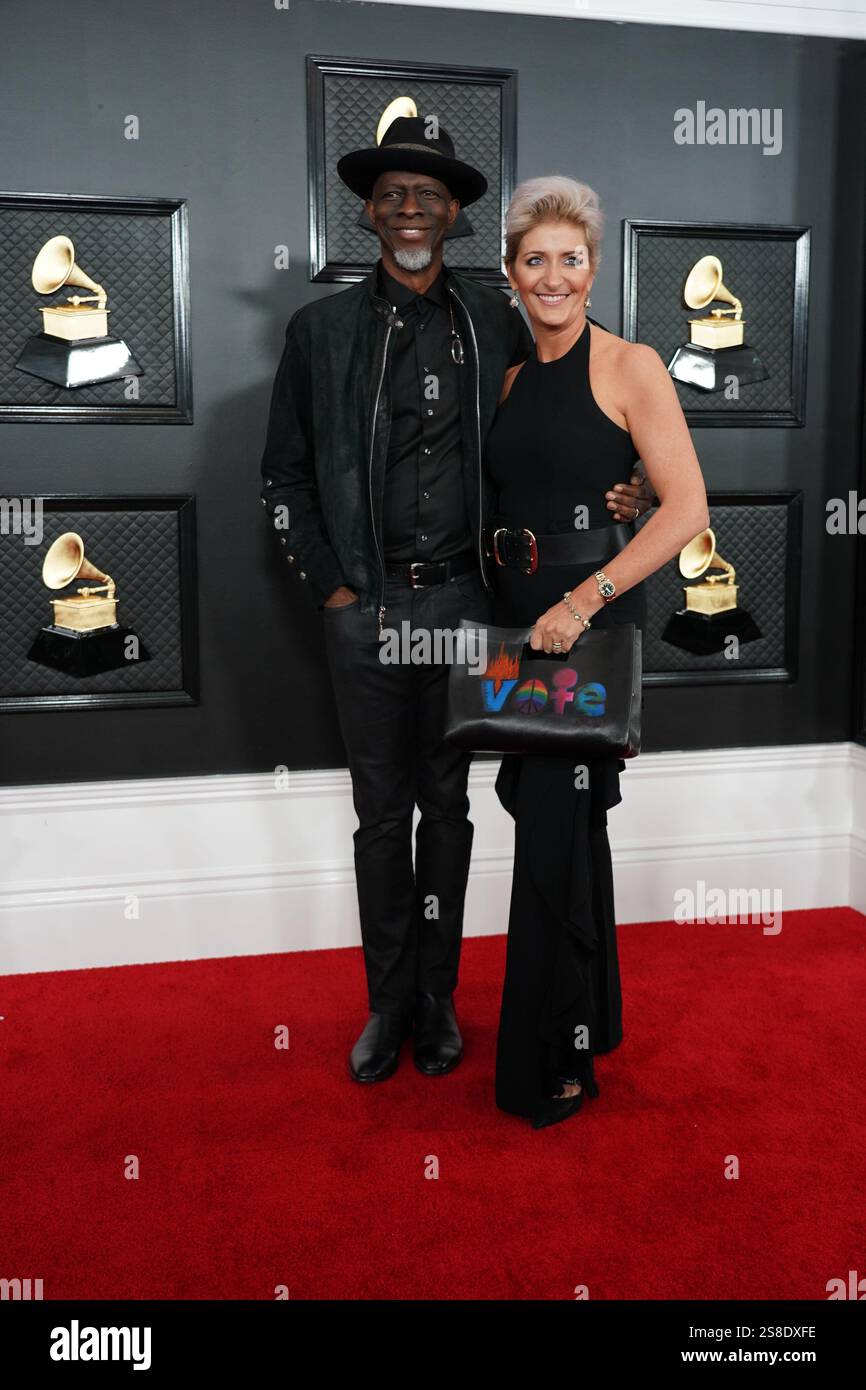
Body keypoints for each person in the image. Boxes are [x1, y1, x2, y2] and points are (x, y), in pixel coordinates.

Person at [260, 120, 655, 1086]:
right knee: (379, 812)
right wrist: (338, 587)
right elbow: (283, 479)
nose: (409, 209)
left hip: (472, 609)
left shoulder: (497, 319)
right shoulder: (321, 333)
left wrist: (629, 486)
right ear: (366, 208)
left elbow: (565, 426)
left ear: (456, 214)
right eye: (393, 192)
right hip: (370, 612)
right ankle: (385, 1004)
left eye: (428, 194)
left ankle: (438, 1001)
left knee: (448, 807)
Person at [484, 176, 709, 1128]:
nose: (553, 277)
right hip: (514, 629)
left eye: (570, 260)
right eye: (534, 260)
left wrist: (583, 600)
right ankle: (591, 1020)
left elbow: (689, 510)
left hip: (585, 627)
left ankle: (551, 1064)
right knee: (563, 835)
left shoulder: (633, 366)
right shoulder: (507, 379)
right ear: (510, 274)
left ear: (593, 268)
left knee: (551, 833)